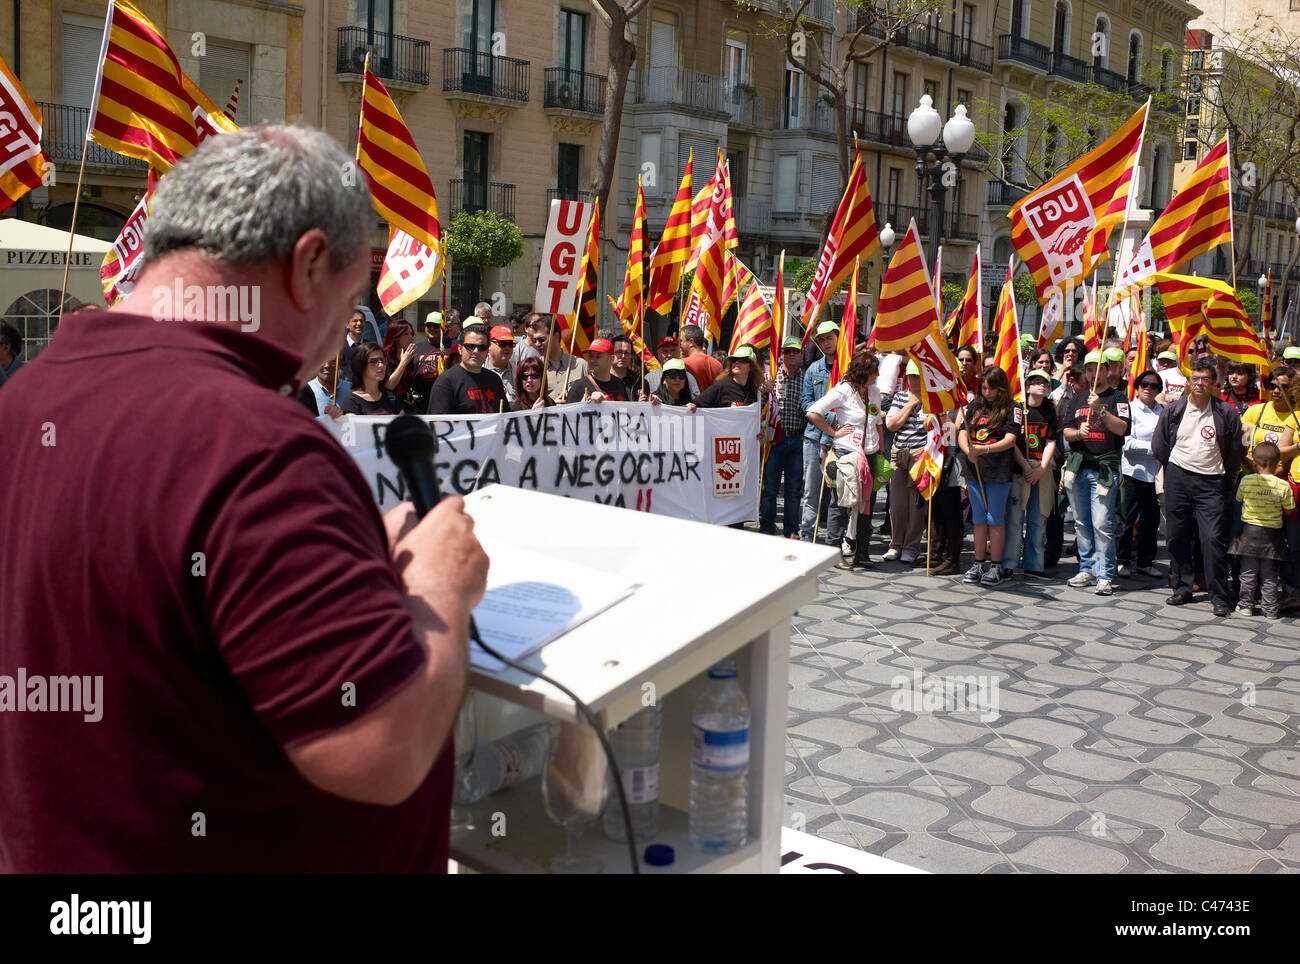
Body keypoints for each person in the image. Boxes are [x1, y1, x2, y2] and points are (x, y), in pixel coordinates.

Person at [0, 124, 487, 873]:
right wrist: (438, 588)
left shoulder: (27, 396)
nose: (336, 342)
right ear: (308, 265)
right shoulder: (253, 442)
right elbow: (380, 746)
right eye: (350, 299)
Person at [1152, 359, 1244, 617]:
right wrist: (1171, 469)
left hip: (1211, 481)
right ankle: (1182, 587)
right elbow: (1159, 445)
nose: (1200, 384)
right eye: (1196, 379)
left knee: (1212, 538)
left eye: (1206, 379)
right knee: (1177, 535)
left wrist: (1227, 477)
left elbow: (1235, 450)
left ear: (1214, 383)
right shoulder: (1175, 410)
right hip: (1179, 478)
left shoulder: (1225, 412)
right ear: (1189, 382)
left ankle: (1219, 595)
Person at [1061, 350, 1131, 595]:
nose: (1093, 373)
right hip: (1080, 468)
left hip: (1104, 470)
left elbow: (1122, 428)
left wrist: (1101, 409)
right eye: (1089, 370)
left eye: (1098, 369)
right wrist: (1078, 434)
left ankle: (1104, 573)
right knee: (1081, 522)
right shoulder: (1078, 399)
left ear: (1106, 371)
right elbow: (1066, 431)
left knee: (1102, 522)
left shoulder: (1118, 398)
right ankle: (1086, 568)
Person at [805, 349, 883, 569]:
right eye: (874, 371)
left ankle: (863, 553)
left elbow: (877, 423)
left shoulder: (874, 392)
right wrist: (832, 431)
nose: (877, 375)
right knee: (840, 504)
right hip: (847, 455)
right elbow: (813, 411)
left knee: (867, 505)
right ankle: (834, 553)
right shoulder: (843, 390)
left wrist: (881, 450)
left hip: (870, 455)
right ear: (863, 372)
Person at [955, 366, 1023, 586]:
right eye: (983, 387)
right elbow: (963, 431)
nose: (987, 392)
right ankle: (978, 562)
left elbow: (1011, 439)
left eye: (991, 388)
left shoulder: (1013, 408)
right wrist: (968, 451)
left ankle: (995, 565)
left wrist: (984, 450)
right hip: (974, 470)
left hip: (998, 470)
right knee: (978, 519)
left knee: (995, 519)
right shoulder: (975, 405)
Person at [1231, 441, 1294, 618]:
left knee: (1248, 572)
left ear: (1254, 462)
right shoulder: (1283, 486)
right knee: (1270, 575)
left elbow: (1239, 498)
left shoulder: (1247, 481)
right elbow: (1289, 509)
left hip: (1249, 533)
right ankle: (1270, 609)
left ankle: (1245, 606)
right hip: (1272, 535)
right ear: (1277, 463)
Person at [1004, 369, 1058, 577]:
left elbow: (1051, 441)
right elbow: (1012, 441)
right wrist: (1026, 467)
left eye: (1045, 383)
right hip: (1020, 469)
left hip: (1041, 469)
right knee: (1015, 518)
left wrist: (1042, 469)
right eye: (1036, 382)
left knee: (1038, 518)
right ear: (1027, 386)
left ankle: (1034, 564)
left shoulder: (1049, 410)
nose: (1041, 385)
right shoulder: (1018, 409)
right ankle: (1009, 563)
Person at [1116, 371, 1164, 578]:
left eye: (1153, 386)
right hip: (1132, 472)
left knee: (1151, 520)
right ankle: (1122, 559)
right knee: (1127, 518)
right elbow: (1128, 443)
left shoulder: (1163, 412)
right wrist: (1155, 447)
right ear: (1137, 386)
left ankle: (1146, 561)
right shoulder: (1129, 409)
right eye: (1144, 384)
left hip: (1155, 474)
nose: (1148, 388)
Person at [882, 359, 929, 563]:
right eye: (911, 376)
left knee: (916, 504)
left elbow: (932, 427)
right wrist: (910, 404)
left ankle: (911, 547)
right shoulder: (900, 397)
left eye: (918, 376)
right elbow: (892, 424)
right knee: (897, 504)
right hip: (900, 454)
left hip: (921, 456)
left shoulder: (932, 399)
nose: (915, 380)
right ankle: (896, 544)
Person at [760, 336, 806, 538]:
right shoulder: (769, 376)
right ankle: (767, 527)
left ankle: (791, 530)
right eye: (788, 352)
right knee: (769, 488)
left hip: (797, 439)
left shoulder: (807, 376)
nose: (791, 355)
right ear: (781, 355)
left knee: (793, 489)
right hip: (774, 440)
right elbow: (758, 406)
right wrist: (764, 391)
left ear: (801, 354)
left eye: (795, 352)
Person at [799, 321, 840, 542]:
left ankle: (837, 538)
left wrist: (833, 420)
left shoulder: (849, 366)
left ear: (838, 337)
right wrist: (829, 417)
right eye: (822, 340)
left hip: (842, 438)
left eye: (829, 338)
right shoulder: (813, 369)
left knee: (840, 492)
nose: (826, 343)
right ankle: (807, 535)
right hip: (814, 438)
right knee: (811, 491)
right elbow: (806, 403)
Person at [427, 324, 506, 414]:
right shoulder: (445, 382)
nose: (476, 351)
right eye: (470, 346)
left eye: (481, 347)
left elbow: (506, 417)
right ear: (460, 349)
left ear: (487, 351)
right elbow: (438, 424)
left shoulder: (494, 379)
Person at [341, 341, 404, 415]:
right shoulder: (351, 403)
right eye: (373, 361)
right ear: (360, 365)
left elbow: (403, 425)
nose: (381, 365)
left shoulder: (392, 398)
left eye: (383, 360)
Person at [694, 344, 764, 408]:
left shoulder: (752, 389)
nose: (737, 362)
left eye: (743, 360)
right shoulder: (721, 386)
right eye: (734, 359)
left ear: (751, 367)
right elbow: (696, 405)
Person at [565, 338, 633, 403]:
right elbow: (568, 413)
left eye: (598, 356)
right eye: (590, 356)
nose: (592, 360)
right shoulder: (578, 387)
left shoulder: (620, 384)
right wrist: (582, 405)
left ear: (611, 359)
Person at [411, 311, 446, 411]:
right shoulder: (416, 348)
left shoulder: (452, 346)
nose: (432, 328)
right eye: (429, 325)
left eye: (436, 326)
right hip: (421, 404)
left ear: (443, 328)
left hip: (444, 401)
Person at [382, 319, 418, 412]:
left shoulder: (410, 356)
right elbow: (389, 386)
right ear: (396, 336)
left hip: (407, 407)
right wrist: (403, 363)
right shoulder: (385, 358)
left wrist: (412, 397)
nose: (410, 337)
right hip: (390, 408)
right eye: (406, 334)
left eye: (411, 334)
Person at [680, 323, 722, 391]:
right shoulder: (718, 364)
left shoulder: (683, 364)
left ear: (691, 342)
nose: (680, 345)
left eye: (681, 341)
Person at [484, 325, 516, 404]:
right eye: (502, 343)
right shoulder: (479, 370)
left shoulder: (518, 372)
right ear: (489, 345)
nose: (507, 348)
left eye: (510, 343)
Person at [608, 332, 642, 399]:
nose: (623, 356)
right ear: (610, 354)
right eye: (618, 352)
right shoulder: (600, 379)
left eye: (626, 353)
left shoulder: (639, 381)